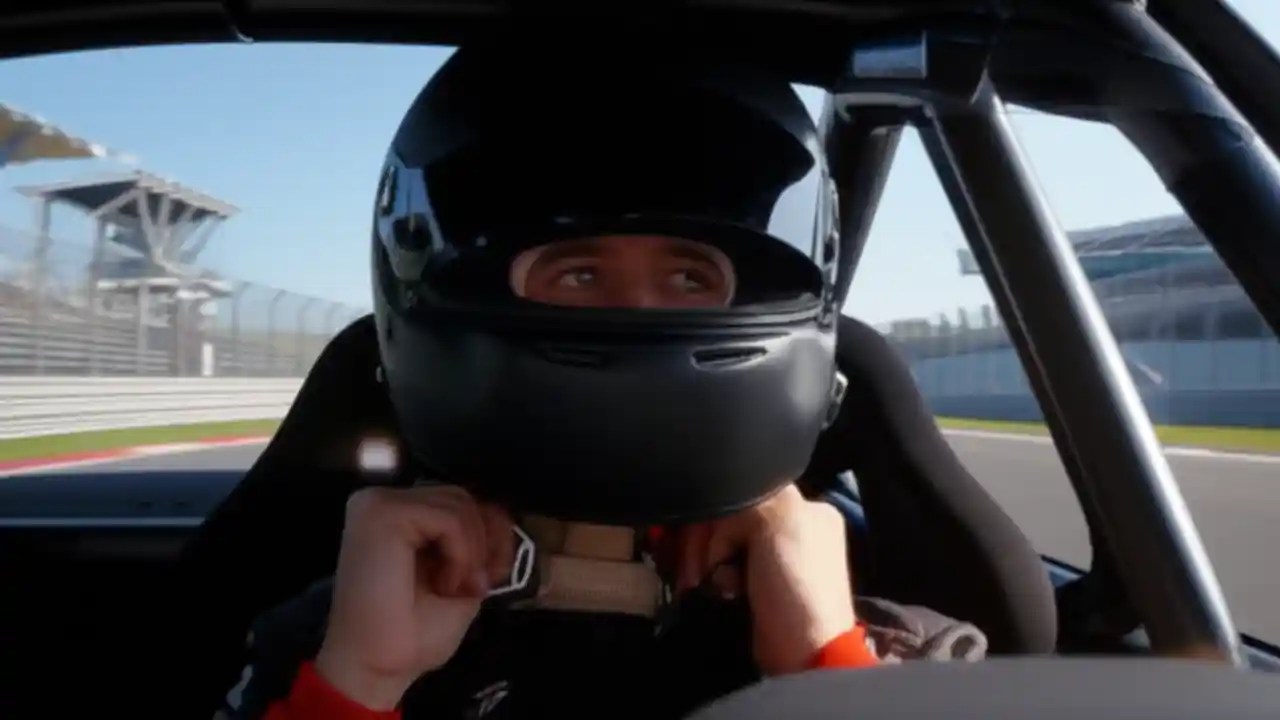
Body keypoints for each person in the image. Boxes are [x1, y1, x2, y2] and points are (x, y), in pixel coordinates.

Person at [219, 35, 988, 720]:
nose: (638, 311)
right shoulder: (340, 632)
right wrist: (358, 683)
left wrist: (827, 667)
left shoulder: (885, 643)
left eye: (690, 280)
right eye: (579, 274)